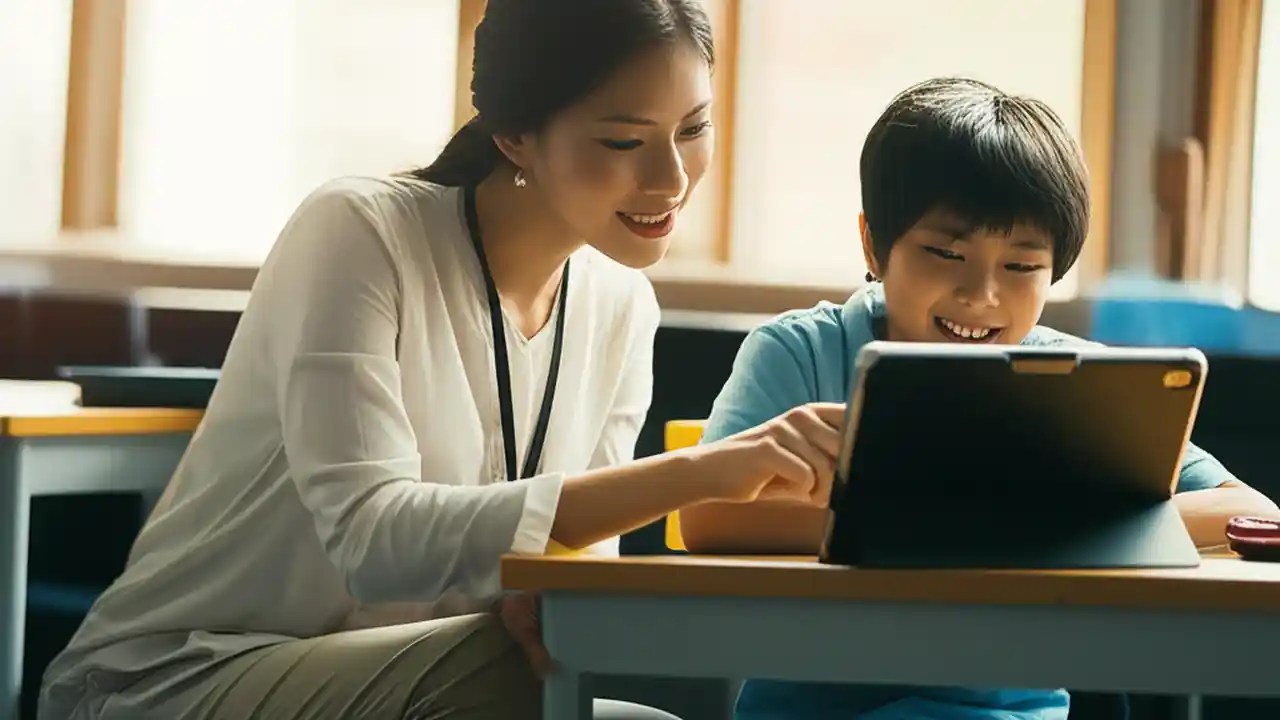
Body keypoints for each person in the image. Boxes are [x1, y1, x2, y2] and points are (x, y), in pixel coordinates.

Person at [38, 2, 845, 718]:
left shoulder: (621, 303)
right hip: (179, 675)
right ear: (515, 134)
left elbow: (568, 575)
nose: (671, 177)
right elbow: (373, 540)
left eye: (693, 129)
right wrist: (702, 471)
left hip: (434, 679)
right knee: (511, 675)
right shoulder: (360, 232)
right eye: (623, 139)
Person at [680, 77, 1280, 720]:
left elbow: (1247, 510)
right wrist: (962, 529)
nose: (982, 295)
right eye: (946, 252)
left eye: (1022, 267)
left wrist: (1043, 532)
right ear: (874, 245)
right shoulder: (802, 351)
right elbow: (708, 516)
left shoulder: (1078, 380)